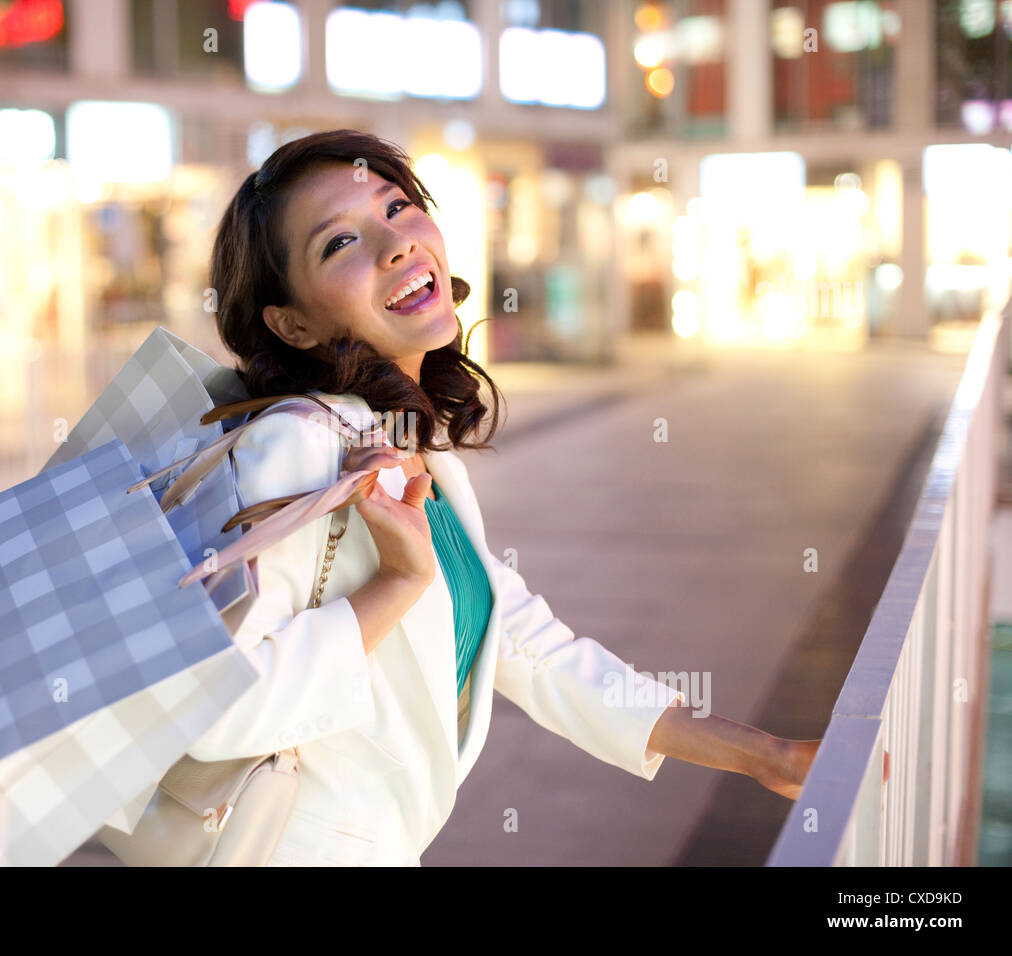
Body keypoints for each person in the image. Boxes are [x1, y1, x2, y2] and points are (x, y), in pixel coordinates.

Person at [172, 129, 817, 866]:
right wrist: (397, 583)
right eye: (339, 243)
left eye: (398, 205)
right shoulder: (296, 448)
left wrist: (765, 756)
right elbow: (216, 707)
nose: (396, 244)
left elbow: (525, 644)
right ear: (293, 323)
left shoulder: (411, 441)